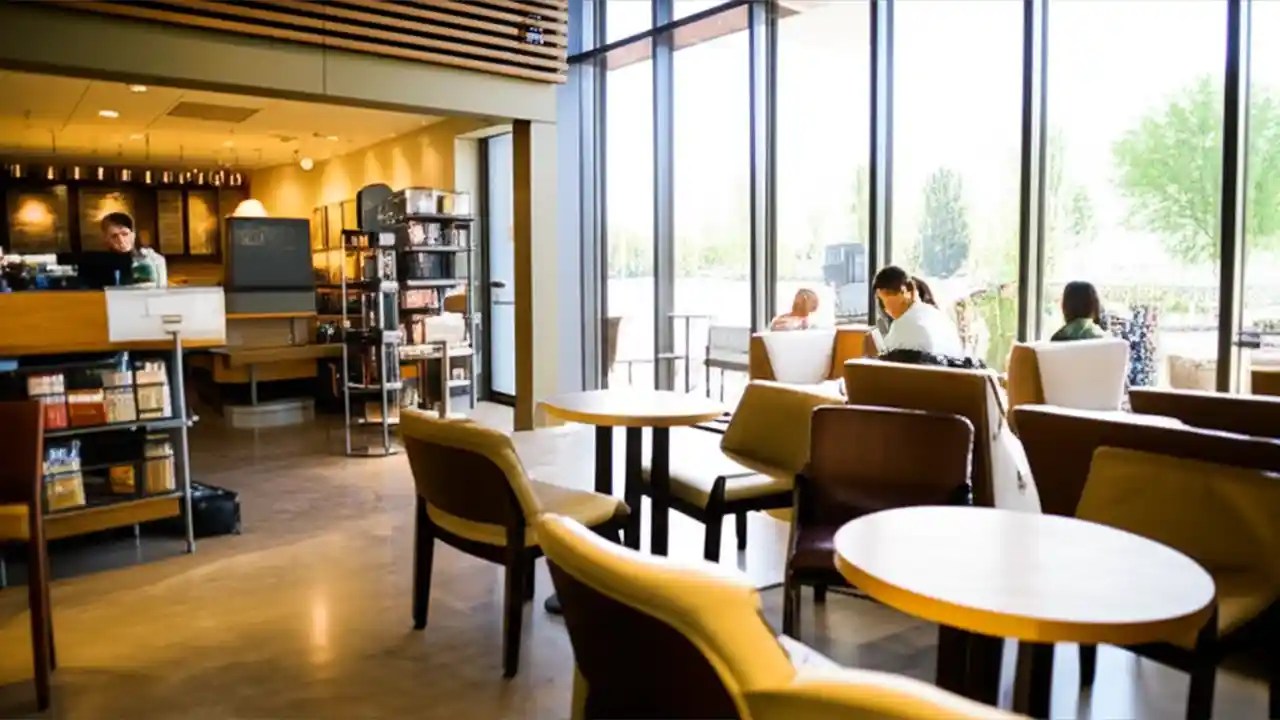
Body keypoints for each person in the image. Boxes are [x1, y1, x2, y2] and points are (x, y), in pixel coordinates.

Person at [873, 265, 962, 357]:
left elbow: (884, 365)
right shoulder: (943, 319)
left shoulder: (903, 326)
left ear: (903, 292)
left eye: (882, 299)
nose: (884, 308)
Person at [101, 211, 167, 287]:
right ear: (106, 238)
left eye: (125, 234)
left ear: (133, 235)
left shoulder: (151, 260)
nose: (121, 240)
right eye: (114, 236)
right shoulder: (99, 266)